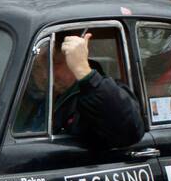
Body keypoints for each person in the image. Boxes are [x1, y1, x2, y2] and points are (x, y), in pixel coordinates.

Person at [16, 30, 144, 149]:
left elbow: (129, 131)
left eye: (55, 63)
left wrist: (85, 73)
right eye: (40, 66)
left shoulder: (96, 95)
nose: (46, 74)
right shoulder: (36, 95)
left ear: (74, 60)